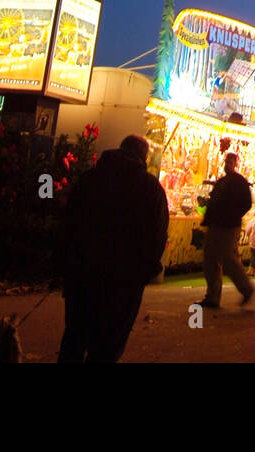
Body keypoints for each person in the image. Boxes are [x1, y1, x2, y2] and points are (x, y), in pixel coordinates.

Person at [59, 135, 168, 362]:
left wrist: (67, 262)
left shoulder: (90, 179)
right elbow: (156, 236)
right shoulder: (150, 188)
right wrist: (146, 271)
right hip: (124, 280)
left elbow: (69, 222)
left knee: (75, 337)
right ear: (143, 156)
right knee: (108, 343)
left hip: (83, 272)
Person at [196, 152, 255, 309]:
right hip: (216, 224)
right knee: (210, 260)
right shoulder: (223, 181)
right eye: (226, 161)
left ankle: (246, 289)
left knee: (228, 259)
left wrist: (232, 216)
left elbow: (246, 203)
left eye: (230, 161)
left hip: (228, 226)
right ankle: (212, 296)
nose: (227, 163)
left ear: (235, 163)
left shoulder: (239, 182)